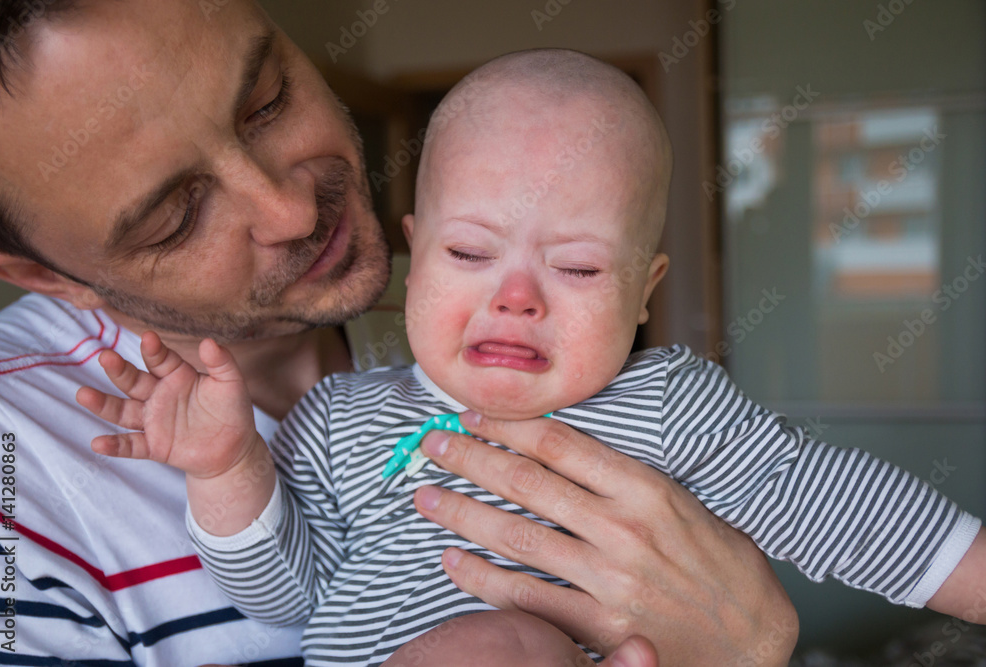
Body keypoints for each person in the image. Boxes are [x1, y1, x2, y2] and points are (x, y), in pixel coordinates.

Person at [79, 49, 985, 666]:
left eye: (579, 267)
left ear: (643, 292)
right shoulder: (342, 418)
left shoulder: (667, 405)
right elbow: (286, 592)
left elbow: (837, 505)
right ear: (416, 252)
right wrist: (228, 468)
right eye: (470, 255)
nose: (517, 296)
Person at [0, 1, 798, 665]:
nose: (293, 209)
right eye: (176, 217)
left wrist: (756, 645)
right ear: (45, 273)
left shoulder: (483, 315)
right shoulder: (4, 473)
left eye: (267, 101)